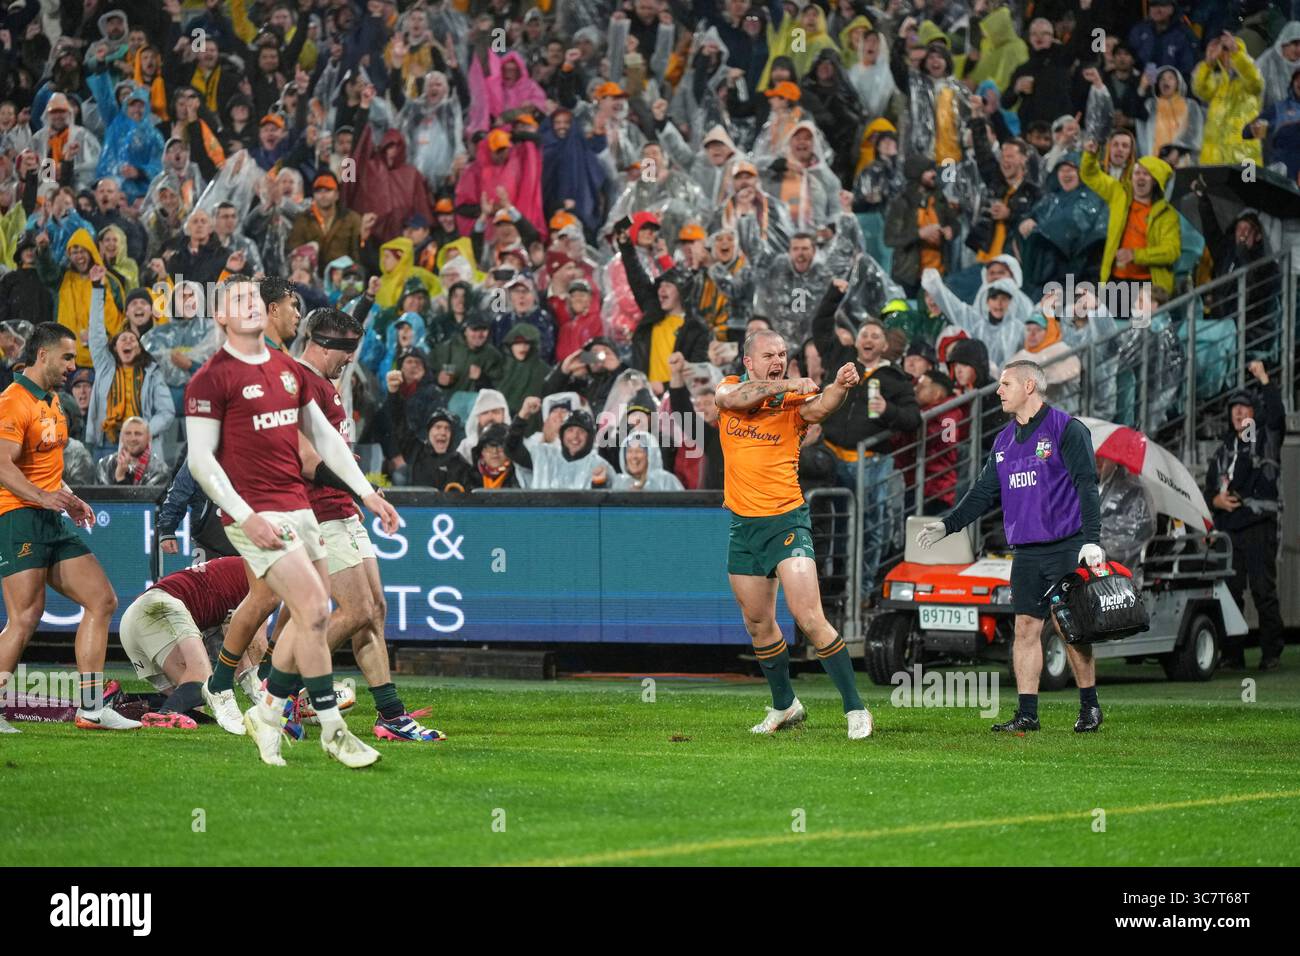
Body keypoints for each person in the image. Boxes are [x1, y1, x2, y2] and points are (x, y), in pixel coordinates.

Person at [184, 275, 398, 768]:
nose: (253, 309)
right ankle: (333, 729)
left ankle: (269, 709)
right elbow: (200, 460)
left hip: (299, 508)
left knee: (311, 614)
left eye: (257, 302)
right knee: (309, 606)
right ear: (222, 317)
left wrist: (368, 494)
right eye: (240, 303)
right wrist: (243, 516)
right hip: (254, 512)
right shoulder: (209, 380)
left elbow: (326, 440)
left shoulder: (287, 370)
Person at [917, 360, 1106, 734]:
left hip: (1066, 546)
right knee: (1023, 629)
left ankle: (1090, 707)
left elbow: (1087, 485)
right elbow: (984, 492)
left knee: (1071, 628)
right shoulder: (1003, 440)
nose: (999, 391)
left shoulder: (1067, 429)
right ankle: (1027, 714)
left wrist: (1092, 541)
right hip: (1026, 552)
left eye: (1005, 384)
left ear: (1030, 386)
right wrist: (947, 525)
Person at [715, 327, 874, 740]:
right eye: (769, 355)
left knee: (808, 617)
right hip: (743, 525)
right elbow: (735, 398)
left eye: (783, 354)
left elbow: (821, 408)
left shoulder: (793, 403)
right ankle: (785, 705)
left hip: (787, 520)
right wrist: (786, 382)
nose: (778, 360)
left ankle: (856, 708)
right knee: (757, 622)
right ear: (748, 362)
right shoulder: (731, 388)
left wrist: (839, 385)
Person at [0, 323, 137, 733]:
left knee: (102, 600)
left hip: (50, 517)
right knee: (25, 617)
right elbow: (3, 465)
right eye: (66, 357)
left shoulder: (54, 403)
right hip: (17, 516)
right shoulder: (12, 402)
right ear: (42, 356)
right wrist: (42, 498)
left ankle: (91, 708)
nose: (73, 366)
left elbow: (45, 469)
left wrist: (69, 496)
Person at [1204, 362, 1284, 671]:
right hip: (1229, 529)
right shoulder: (1225, 448)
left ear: (1254, 413)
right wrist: (1216, 500)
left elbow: (1276, 414)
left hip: (1258, 526)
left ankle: (1271, 653)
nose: (1238, 413)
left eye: (1244, 408)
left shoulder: (1265, 438)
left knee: (1263, 591)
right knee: (1230, 593)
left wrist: (1263, 379)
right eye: (1234, 409)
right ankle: (1233, 654)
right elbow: (1212, 484)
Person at [118, 555, 253, 730]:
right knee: (206, 684)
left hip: (135, 618)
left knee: (192, 702)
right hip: (158, 610)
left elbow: (235, 651)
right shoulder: (261, 577)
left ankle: (119, 703)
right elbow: (254, 647)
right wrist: (270, 700)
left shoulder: (235, 572)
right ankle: (165, 714)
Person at [95, 416, 169, 486]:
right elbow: (102, 498)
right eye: (128, 433)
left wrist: (121, 477)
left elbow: (146, 499)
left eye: (138, 434)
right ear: (121, 438)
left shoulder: (160, 470)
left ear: (149, 438)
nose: (133, 438)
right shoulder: (105, 465)